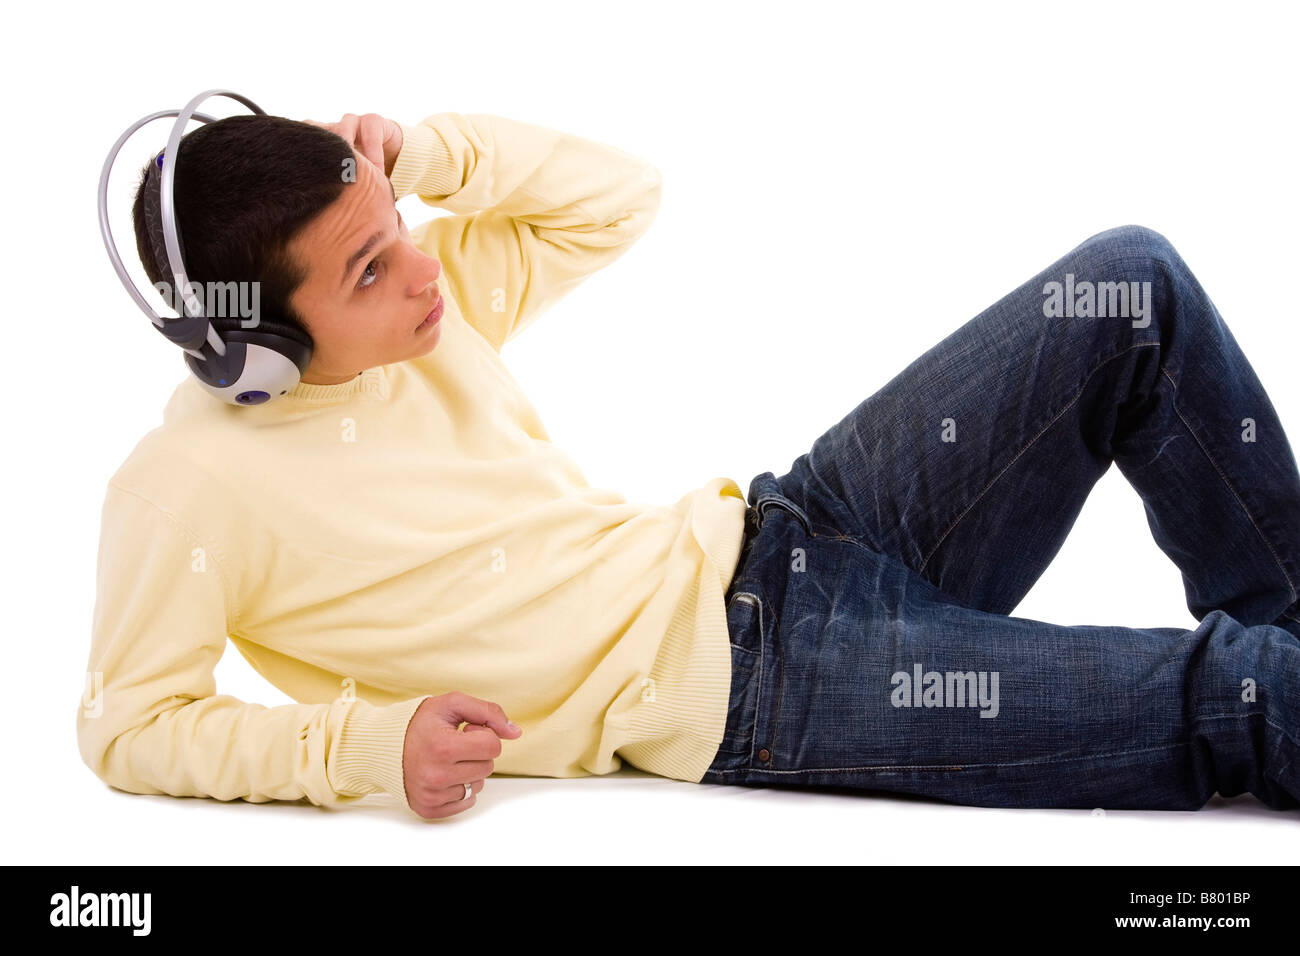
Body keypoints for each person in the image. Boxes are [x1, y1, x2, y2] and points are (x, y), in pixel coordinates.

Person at [79, 108, 1299, 823]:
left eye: (396, 231)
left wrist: (432, 155)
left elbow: (616, 200)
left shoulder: (420, 327)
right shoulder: (190, 487)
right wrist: (360, 746)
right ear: (262, 346)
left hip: (794, 523)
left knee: (1127, 282)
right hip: (762, 690)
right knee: (1243, 695)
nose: (421, 271)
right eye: (365, 268)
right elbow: (128, 724)